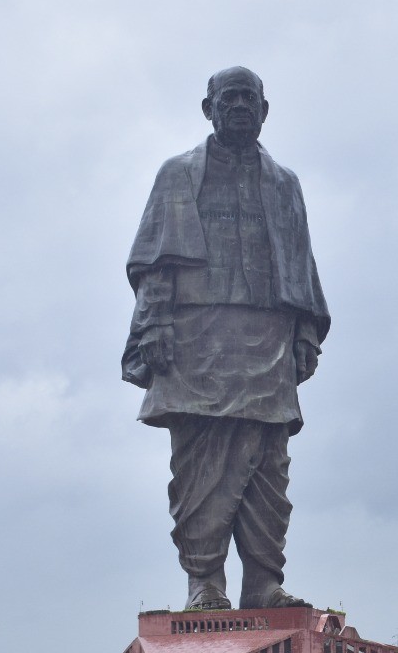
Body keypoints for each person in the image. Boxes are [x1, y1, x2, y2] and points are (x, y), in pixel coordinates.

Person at [122, 67, 329, 612]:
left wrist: (305, 331)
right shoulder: (178, 175)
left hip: (267, 341)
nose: (239, 106)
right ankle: (205, 582)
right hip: (196, 337)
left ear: (265, 110)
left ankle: (264, 582)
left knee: (268, 465)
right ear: (207, 107)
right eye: (228, 97)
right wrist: (156, 324)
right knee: (200, 464)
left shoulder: (285, 184)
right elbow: (154, 262)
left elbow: (301, 267)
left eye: (249, 98)